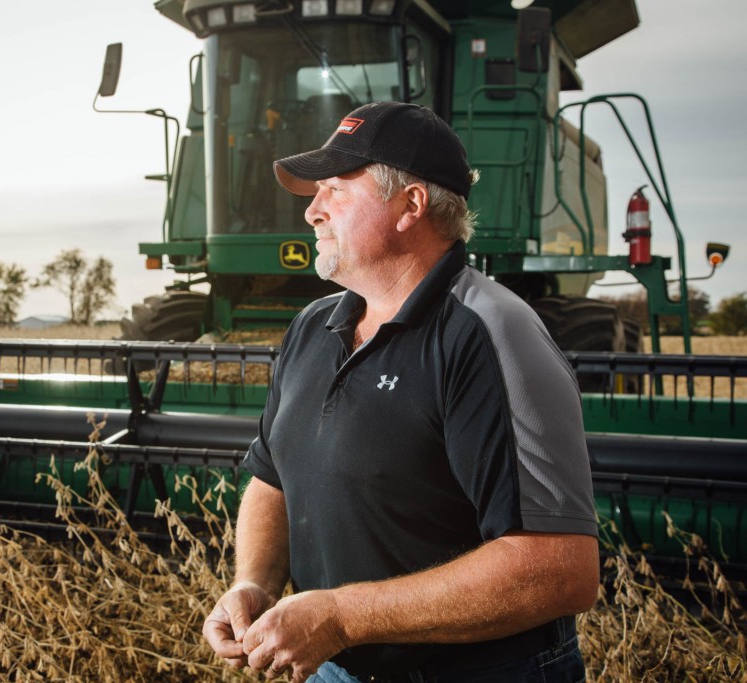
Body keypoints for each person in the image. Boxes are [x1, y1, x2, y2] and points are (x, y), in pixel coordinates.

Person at [202, 102, 600, 683]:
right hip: (335, 666)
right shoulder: (313, 327)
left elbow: (559, 568)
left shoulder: (489, 334)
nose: (313, 211)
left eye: (336, 189)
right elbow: (274, 479)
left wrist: (340, 615)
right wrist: (255, 583)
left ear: (411, 205)